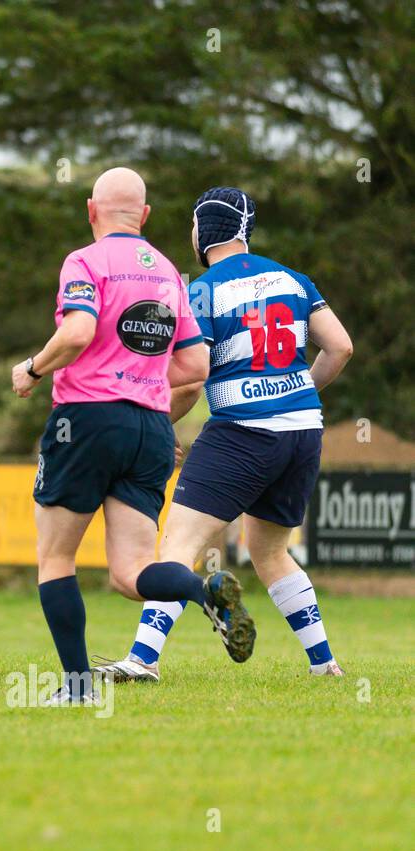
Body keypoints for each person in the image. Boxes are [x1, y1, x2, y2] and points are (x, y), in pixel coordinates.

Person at [10, 167, 252, 705]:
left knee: (55, 558)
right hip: (150, 429)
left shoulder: (85, 261)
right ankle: (200, 589)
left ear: (91, 210)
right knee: (132, 572)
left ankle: (77, 688)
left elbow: (77, 332)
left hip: (88, 420)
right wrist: (137, 380)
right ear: (143, 216)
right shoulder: (169, 273)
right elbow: (195, 364)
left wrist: (32, 367)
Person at [94, 187, 353, 683]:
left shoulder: (205, 289)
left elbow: (192, 376)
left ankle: (143, 660)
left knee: (176, 546)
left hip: (242, 432)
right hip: (301, 432)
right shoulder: (294, 281)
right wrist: (296, 393)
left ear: (204, 230)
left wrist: (151, 423)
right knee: (271, 552)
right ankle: (325, 665)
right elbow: (340, 347)